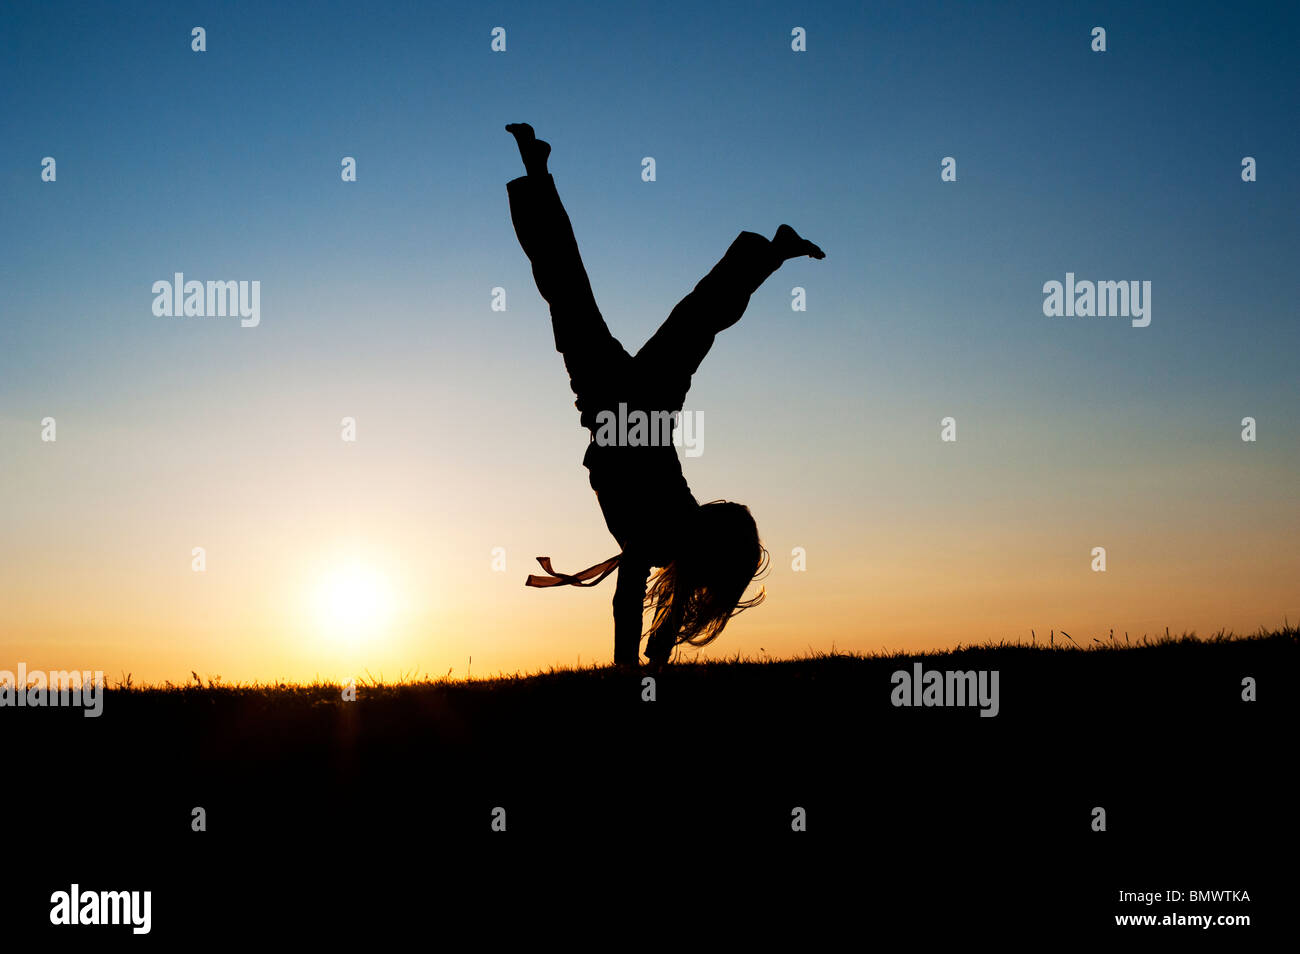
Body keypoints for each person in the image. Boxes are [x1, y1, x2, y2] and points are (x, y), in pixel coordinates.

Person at [505, 123, 824, 667]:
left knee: (689, 322)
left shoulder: (678, 536)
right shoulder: (664, 541)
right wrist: (633, 669)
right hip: (616, 406)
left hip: (644, 407)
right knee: (573, 292)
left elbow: (647, 604)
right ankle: (538, 169)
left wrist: (645, 664)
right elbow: (632, 601)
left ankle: (539, 169)